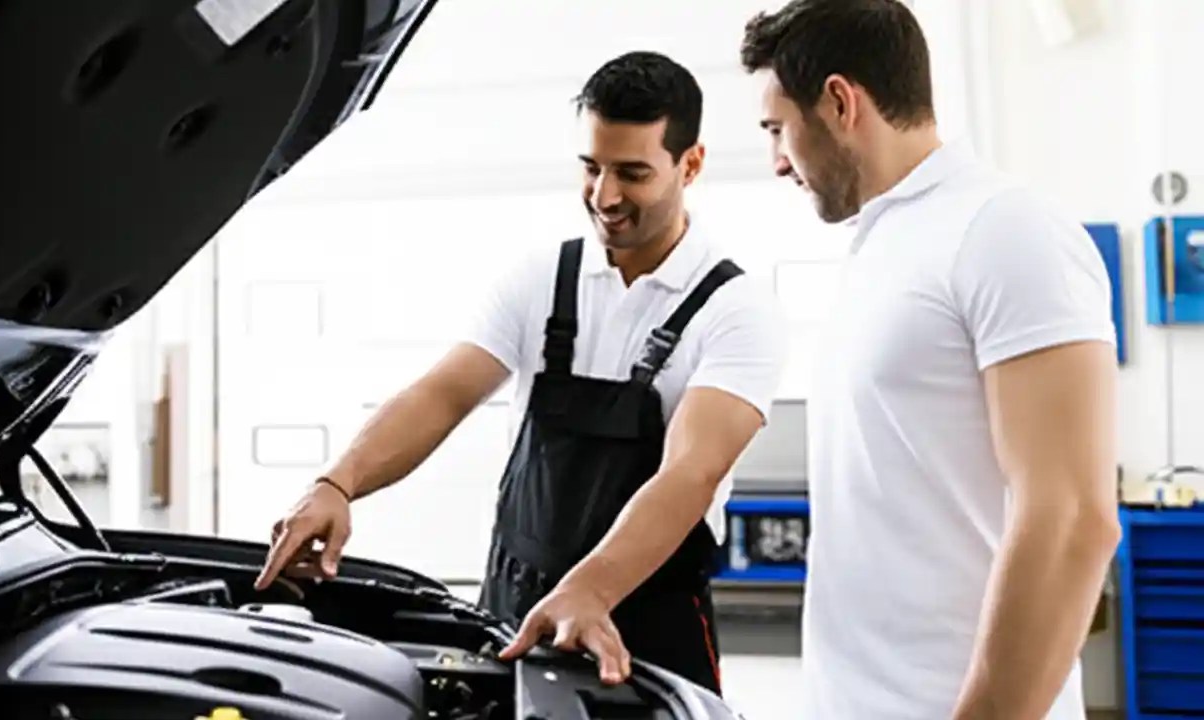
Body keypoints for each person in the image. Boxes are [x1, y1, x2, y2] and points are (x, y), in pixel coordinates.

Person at [254, 50, 785, 695]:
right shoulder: (543, 280)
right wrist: (337, 483)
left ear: (690, 164)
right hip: (517, 607)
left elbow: (689, 473)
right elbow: (442, 394)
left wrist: (591, 589)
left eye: (632, 173)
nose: (604, 196)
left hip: (648, 621)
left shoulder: (735, 309)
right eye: (591, 168)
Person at [737, 2, 1120, 718]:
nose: (778, 161)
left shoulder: (1004, 229)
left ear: (840, 102)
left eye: (776, 130)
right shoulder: (884, 243)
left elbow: (1073, 517)